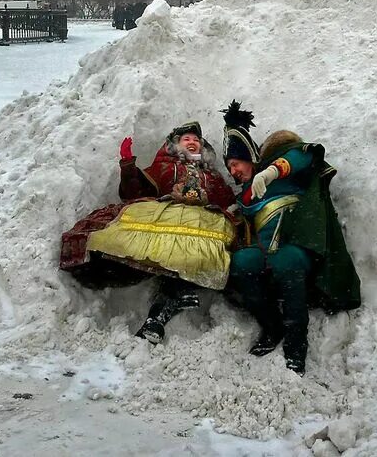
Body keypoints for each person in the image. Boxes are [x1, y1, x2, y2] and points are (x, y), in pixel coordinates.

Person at [60, 121, 240, 344]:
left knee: (196, 249)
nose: (192, 143)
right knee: (150, 241)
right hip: (167, 216)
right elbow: (134, 193)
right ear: (176, 144)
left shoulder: (212, 176)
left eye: (196, 140)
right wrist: (128, 166)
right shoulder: (164, 167)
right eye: (187, 139)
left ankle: (162, 311)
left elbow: (229, 203)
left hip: (200, 221)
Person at [227, 127, 360, 374]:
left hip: (297, 247)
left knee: (285, 260)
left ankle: (296, 343)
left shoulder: (289, 167)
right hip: (266, 251)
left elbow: (300, 155)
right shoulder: (249, 192)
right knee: (241, 262)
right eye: (229, 169)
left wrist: (270, 172)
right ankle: (271, 327)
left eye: (235, 164)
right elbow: (240, 208)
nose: (233, 172)